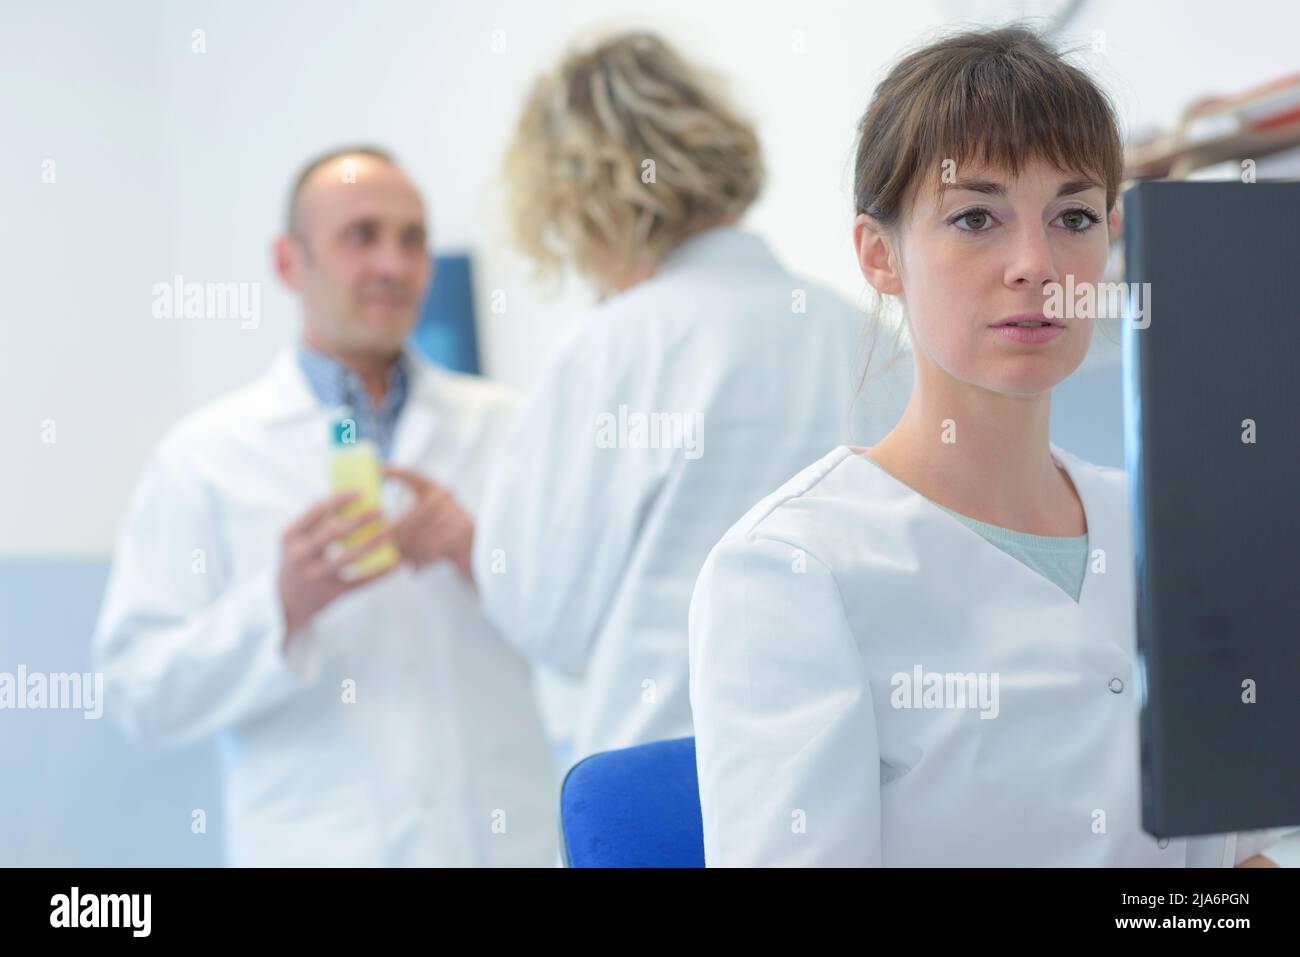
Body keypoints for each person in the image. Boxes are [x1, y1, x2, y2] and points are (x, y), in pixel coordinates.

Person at [688, 25, 1292, 866]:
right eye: (976, 217)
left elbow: (1234, 862)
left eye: (1073, 217)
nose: (1035, 263)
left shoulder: (1171, 525)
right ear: (879, 255)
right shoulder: (789, 572)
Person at [93, 147, 557, 866]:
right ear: (288, 262)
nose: (393, 266)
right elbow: (137, 692)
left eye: (412, 239)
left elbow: (584, 631)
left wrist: (485, 557)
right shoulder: (205, 457)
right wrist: (280, 604)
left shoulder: (511, 427)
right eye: (361, 235)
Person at [468, 32, 910, 765]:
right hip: (850, 773)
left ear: (580, 202)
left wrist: (474, 548)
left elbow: (544, 616)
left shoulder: (609, 347)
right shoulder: (865, 337)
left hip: (666, 783)